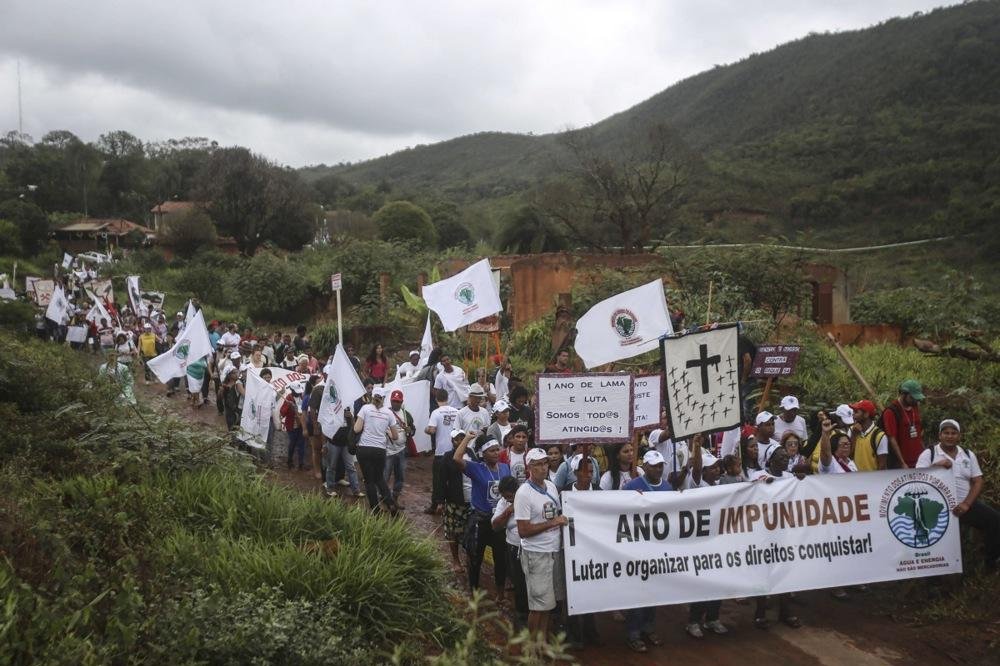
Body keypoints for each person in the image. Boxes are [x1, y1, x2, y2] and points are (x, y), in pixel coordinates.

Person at [917, 419, 1000, 567]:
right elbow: (917, 479)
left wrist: (967, 504)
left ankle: (990, 562)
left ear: (959, 436)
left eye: (953, 433)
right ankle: (934, 573)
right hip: (937, 509)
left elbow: (978, 481)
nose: (950, 436)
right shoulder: (929, 454)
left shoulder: (967, 454)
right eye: (946, 433)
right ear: (940, 435)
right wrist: (936, 466)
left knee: (994, 520)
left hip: (963, 505)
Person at [514, 447, 567, 640]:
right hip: (536, 554)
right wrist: (552, 523)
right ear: (529, 467)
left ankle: (541, 642)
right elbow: (523, 530)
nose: (543, 468)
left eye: (545, 463)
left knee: (548, 605)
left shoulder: (551, 487)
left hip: (553, 551)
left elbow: (558, 515)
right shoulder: (524, 494)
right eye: (538, 464)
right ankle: (532, 649)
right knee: (537, 607)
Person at [621, 451, 671, 652]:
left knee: (653, 592)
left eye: (661, 465)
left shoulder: (667, 487)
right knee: (637, 593)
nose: (658, 469)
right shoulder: (631, 487)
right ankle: (633, 632)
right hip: (637, 550)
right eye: (654, 465)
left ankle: (648, 627)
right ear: (645, 466)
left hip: (658, 550)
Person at [453, 433, 511, 599]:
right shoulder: (476, 468)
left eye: (497, 449)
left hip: (499, 522)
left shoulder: (505, 468)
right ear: (482, 454)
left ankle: (500, 594)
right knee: (475, 558)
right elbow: (457, 458)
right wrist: (467, 439)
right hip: (480, 520)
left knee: (500, 559)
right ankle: (474, 593)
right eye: (491, 450)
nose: (495, 453)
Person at [353, 387, 399, 514]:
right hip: (380, 450)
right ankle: (390, 503)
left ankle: (375, 509)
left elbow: (356, 429)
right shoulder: (389, 413)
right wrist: (387, 431)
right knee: (379, 478)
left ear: (372, 396)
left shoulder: (365, 409)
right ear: (384, 398)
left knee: (369, 480)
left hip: (364, 448)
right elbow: (395, 437)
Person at [492, 476, 528, 629]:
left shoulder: (527, 497)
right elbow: (495, 526)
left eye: (511, 495)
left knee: (532, 581)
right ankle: (521, 615)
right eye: (506, 496)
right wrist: (508, 510)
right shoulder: (504, 503)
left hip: (531, 545)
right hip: (514, 546)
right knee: (519, 582)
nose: (509, 498)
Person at [425, 388, 460, 515]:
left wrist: (426, 430)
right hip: (455, 451)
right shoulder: (457, 412)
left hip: (441, 452)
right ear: (448, 398)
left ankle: (436, 504)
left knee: (438, 480)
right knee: (453, 480)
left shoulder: (436, 412)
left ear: (436, 399)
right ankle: (451, 505)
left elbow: (432, 430)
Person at [443, 428, 472, 574]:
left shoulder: (472, 455)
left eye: (463, 438)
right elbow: (441, 479)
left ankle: (469, 558)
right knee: (453, 531)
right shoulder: (448, 457)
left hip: (471, 500)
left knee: (470, 531)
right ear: (452, 441)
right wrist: (440, 500)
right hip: (455, 500)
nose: (460, 441)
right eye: (457, 439)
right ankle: (455, 560)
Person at [882, 379, 925, 468]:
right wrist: (902, 463)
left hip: (918, 461)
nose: (915, 401)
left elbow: (919, 433)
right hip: (902, 463)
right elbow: (892, 439)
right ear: (903, 394)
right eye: (912, 398)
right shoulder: (891, 411)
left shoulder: (915, 406)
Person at [323, 407, 363, 500]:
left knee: (351, 466)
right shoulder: (332, 407)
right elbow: (325, 426)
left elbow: (354, 427)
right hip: (333, 442)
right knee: (331, 466)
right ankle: (330, 488)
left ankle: (356, 490)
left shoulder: (349, 407)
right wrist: (324, 444)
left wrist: (351, 417)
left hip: (346, 443)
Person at [385, 389, 415, 509]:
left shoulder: (406, 415)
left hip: (402, 450)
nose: (395, 403)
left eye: (398, 401)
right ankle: (383, 499)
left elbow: (413, 430)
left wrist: (410, 431)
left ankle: (394, 499)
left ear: (401, 402)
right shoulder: (385, 413)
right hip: (387, 450)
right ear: (390, 401)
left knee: (400, 476)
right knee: (385, 476)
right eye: (394, 401)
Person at [850, 399, 888, 471]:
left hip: (872, 480)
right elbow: (849, 456)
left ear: (866, 414)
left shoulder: (879, 436)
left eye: (856, 412)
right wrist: (853, 435)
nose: (853, 415)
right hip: (856, 479)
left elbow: (882, 465)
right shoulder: (853, 430)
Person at [281, 386, 306, 470]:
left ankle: (301, 463)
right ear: (292, 390)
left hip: (301, 424)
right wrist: (288, 405)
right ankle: (289, 461)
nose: (298, 393)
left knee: (302, 444)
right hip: (292, 424)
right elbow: (282, 412)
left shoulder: (302, 397)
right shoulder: (288, 398)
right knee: (293, 443)